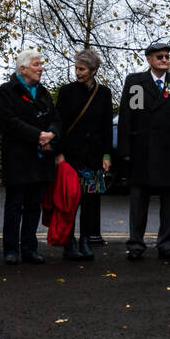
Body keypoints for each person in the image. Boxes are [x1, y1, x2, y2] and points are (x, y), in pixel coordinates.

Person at [117, 40, 170, 261]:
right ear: (149, 59)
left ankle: (167, 244)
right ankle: (136, 245)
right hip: (142, 151)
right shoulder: (136, 83)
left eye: (167, 57)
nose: (164, 60)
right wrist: (125, 151)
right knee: (139, 202)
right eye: (159, 57)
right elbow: (126, 118)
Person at [0, 49, 60, 265]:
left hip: (40, 159)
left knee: (34, 206)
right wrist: (37, 135)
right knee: (14, 206)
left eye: (40, 64)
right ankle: (11, 250)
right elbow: (9, 122)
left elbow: (55, 118)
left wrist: (51, 133)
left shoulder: (43, 92)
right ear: (22, 69)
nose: (40, 68)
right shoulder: (6, 91)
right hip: (18, 158)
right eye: (36, 64)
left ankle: (30, 248)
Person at [53, 49, 114, 261]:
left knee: (90, 202)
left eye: (82, 69)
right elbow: (58, 123)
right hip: (71, 157)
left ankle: (85, 240)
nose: (77, 72)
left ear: (93, 71)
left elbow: (107, 126)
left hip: (94, 157)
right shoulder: (66, 92)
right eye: (76, 68)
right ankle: (68, 243)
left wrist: (107, 155)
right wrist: (59, 153)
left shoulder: (104, 93)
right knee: (70, 202)